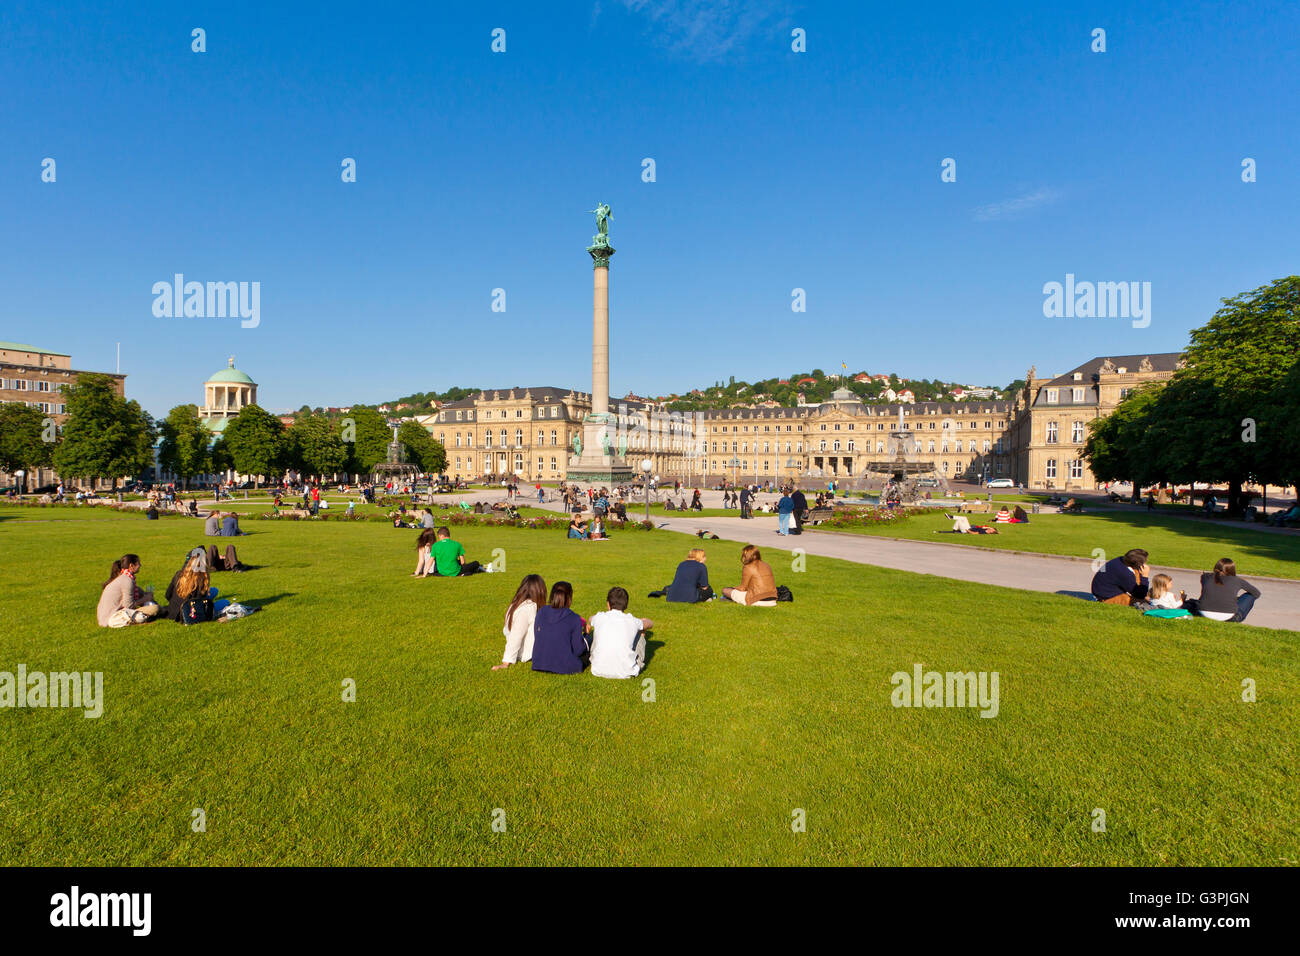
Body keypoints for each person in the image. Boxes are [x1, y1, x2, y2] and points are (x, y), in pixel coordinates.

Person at [589, 587, 654, 679]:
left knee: (597, 628)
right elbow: (650, 623)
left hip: (597, 669)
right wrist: (642, 622)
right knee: (642, 629)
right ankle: (636, 661)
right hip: (627, 671)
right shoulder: (632, 620)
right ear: (626, 605)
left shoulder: (600, 617)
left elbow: (591, 619)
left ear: (608, 604)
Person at [531, 581, 589, 674]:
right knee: (589, 642)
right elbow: (578, 650)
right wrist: (586, 636)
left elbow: (538, 636)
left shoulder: (541, 611)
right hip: (564, 666)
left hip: (539, 663)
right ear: (569, 598)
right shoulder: (574, 618)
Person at [493, 574, 546, 670]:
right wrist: (506, 662)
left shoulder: (515, 604)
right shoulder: (528, 608)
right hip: (527, 653)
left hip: (526, 650)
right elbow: (516, 636)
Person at [1184, 558, 1260, 622]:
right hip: (1230, 617)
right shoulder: (1237, 580)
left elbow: (1215, 589)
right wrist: (1237, 599)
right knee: (1250, 596)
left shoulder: (1205, 577)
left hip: (1202, 613)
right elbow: (1256, 593)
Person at [96, 553, 160, 627]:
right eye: (138, 563)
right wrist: (146, 599)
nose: (140, 565)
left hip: (105, 617)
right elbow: (129, 606)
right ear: (131, 566)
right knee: (155, 608)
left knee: (152, 607)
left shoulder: (125, 578)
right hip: (113, 617)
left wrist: (146, 596)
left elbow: (137, 593)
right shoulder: (127, 580)